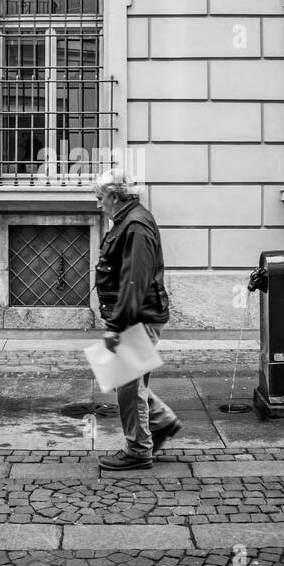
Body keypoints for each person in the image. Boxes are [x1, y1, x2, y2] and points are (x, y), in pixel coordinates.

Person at [92, 168, 181, 471]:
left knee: (128, 383)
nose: (98, 203)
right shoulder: (128, 221)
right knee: (124, 378)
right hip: (135, 315)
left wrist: (117, 326)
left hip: (138, 316)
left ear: (114, 196)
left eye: (100, 197)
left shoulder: (135, 226)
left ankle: (139, 449)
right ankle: (161, 422)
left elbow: (135, 280)